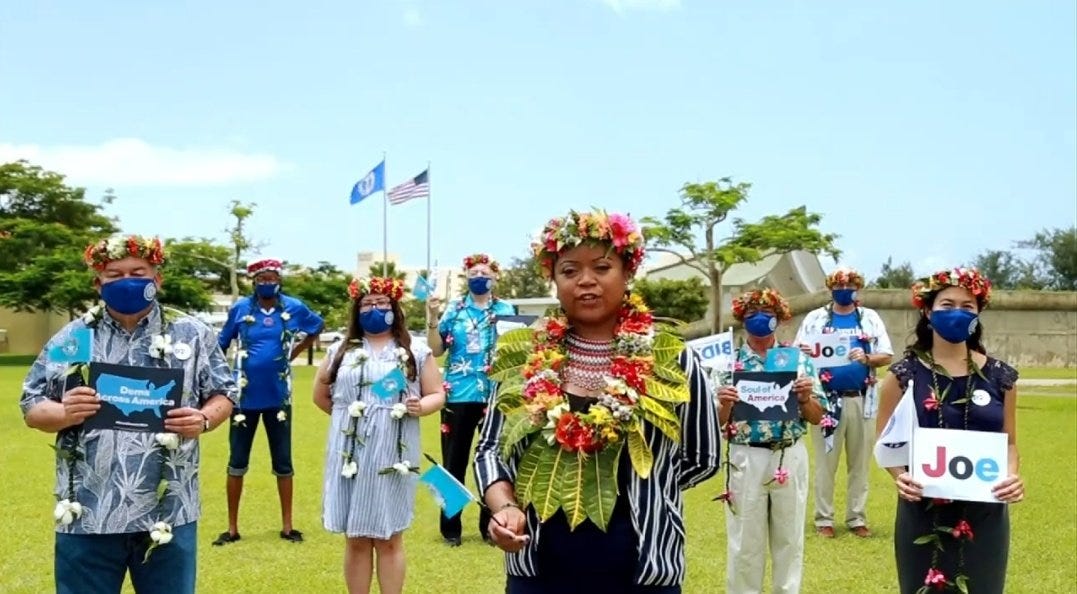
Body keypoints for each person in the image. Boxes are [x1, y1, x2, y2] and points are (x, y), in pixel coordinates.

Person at [475, 209, 720, 593]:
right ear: (554, 280)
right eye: (569, 270)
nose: (586, 281)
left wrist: (646, 487)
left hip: (643, 568)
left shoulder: (670, 357)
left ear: (628, 273)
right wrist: (505, 505)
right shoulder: (524, 357)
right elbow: (490, 448)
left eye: (602, 267)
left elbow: (702, 456)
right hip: (538, 568)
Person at [20, 235, 236, 594]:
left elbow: (224, 393)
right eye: (114, 274)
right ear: (97, 283)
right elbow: (31, 405)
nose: (127, 281)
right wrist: (63, 412)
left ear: (157, 279)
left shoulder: (193, 334)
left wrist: (204, 419)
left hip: (169, 511)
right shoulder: (72, 338)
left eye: (138, 272)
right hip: (88, 510)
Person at [876, 268, 1023, 594]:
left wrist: (1011, 476)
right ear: (928, 312)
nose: (957, 312)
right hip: (922, 510)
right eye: (947, 304)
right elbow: (884, 441)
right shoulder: (903, 375)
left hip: (985, 513)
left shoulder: (1001, 377)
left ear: (978, 312)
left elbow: (1009, 443)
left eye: (967, 306)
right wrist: (899, 476)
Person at [313, 276, 446, 594]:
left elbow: (437, 394)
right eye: (367, 303)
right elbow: (320, 396)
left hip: (393, 451)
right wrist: (354, 420)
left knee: (388, 537)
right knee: (356, 537)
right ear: (357, 311)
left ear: (395, 308)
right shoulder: (340, 350)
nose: (374, 308)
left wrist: (420, 407)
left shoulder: (415, 350)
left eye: (381, 303)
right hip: (349, 453)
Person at [714, 288, 827, 594]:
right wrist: (724, 404)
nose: (760, 319)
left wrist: (804, 399)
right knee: (743, 542)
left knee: (789, 540)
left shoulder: (798, 361)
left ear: (780, 319)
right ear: (741, 320)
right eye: (751, 314)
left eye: (767, 313)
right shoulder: (728, 364)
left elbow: (818, 417)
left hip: (788, 454)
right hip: (745, 455)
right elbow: (717, 422)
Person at [214, 258, 324, 546]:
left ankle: (288, 526)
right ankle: (232, 528)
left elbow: (316, 326)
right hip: (243, 398)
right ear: (253, 281)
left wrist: (295, 352)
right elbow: (221, 344)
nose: (267, 283)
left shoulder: (294, 307)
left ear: (280, 279)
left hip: (279, 396)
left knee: (283, 462)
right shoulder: (241, 309)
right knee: (237, 461)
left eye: (271, 277)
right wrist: (222, 376)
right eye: (261, 278)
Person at [425, 253, 517, 546]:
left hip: (495, 394)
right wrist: (432, 318)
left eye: (485, 272)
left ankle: (492, 525)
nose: (480, 276)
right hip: (459, 394)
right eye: (474, 272)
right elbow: (437, 350)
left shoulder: (506, 309)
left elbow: (516, 349)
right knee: (452, 461)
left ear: (495, 277)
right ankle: (450, 529)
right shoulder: (455, 309)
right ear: (467, 278)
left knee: (494, 460)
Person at [794, 267, 893, 538]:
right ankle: (823, 519)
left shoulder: (869, 319)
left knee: (860, 463)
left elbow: (887, 355)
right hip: (825, 401)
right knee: (826, 463)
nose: (844, 288)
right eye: (839, 284)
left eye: (849, 283)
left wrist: (867, 358)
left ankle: (856, 517)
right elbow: (796, 353)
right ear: (830, 288)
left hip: (861, 399)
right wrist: (801, 352)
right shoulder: (815, 319)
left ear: (857, 287)